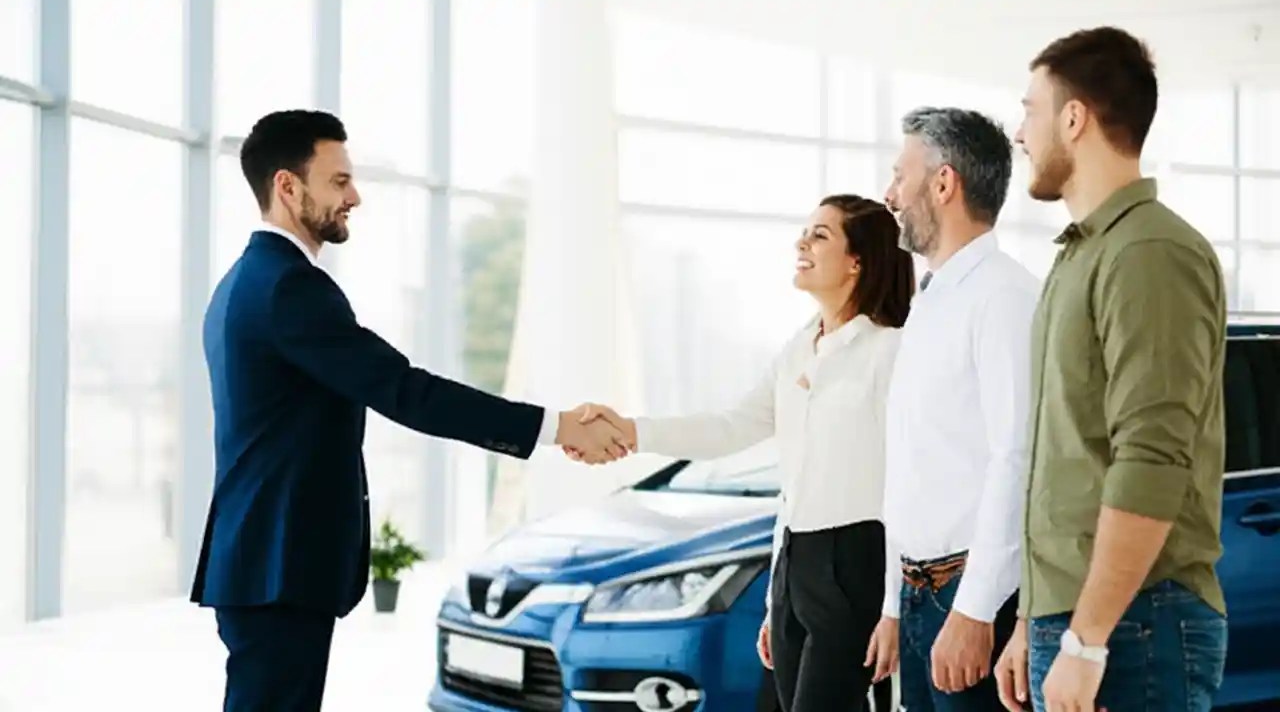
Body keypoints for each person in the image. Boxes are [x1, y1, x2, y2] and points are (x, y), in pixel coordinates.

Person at [192, 109, 629, 712]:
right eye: (339, 180)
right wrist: (555, 427)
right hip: (277, 564)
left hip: (264, 559)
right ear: (287, 186)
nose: (355, 197)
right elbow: (406, 390)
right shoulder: (287, 288)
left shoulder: (247, 281)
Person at [574, 195, 913, 711]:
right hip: (795, 564)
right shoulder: (800, 347)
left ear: (857, 260)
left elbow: (907, 486)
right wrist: (630, 431)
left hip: (856, 561)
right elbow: (731, 428)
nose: (802, 242)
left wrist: (893, 607)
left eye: (820, 234)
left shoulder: (890, 351)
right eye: (804, 231)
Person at [996, 27, 1228, 712]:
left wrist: (1086, 640)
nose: (1019, 132)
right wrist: (1033, 621)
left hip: (1136, 624)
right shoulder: (1081, 256)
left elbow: (1151, 457)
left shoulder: (1149, 252)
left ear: (1075, 118)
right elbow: (1066, 464)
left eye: (1030, 110)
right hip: (1083, 618)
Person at [865, 107, 1039, 712]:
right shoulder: (934, 299)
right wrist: (892, 605)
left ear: (943, 183)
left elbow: (1015, 458)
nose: (888, 194)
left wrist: (975, 608)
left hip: (971, 595)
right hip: (920, 596)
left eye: (899, 174)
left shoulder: (1005, 297)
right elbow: (911, 465)